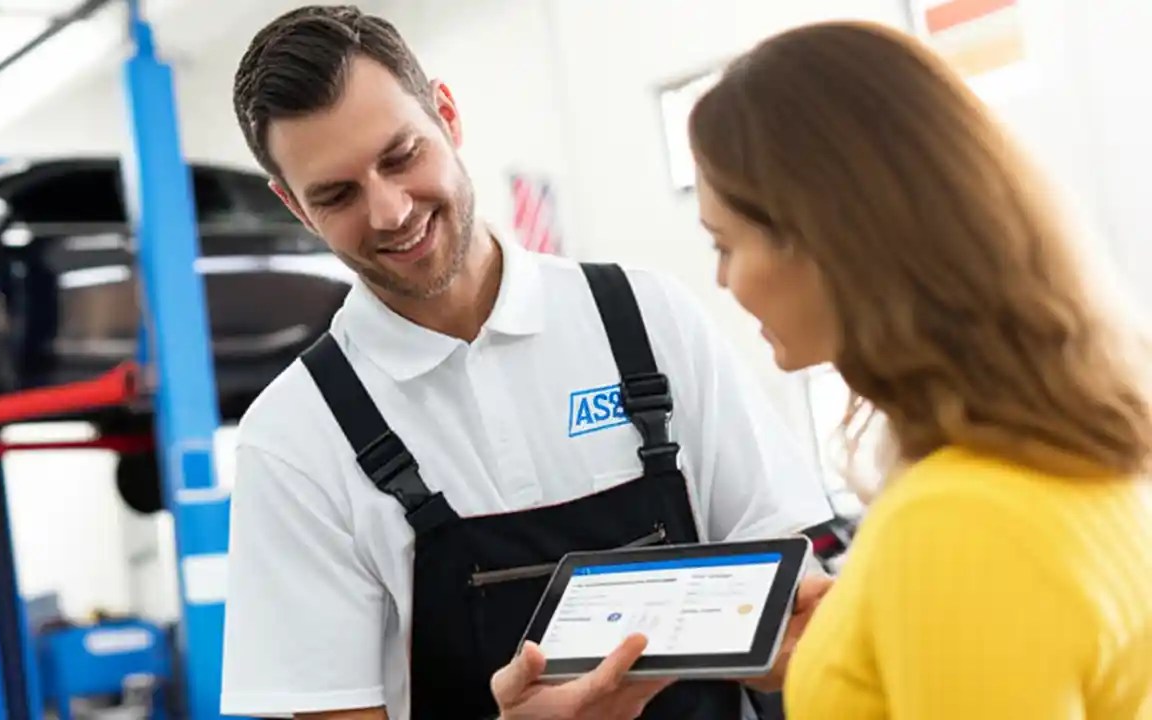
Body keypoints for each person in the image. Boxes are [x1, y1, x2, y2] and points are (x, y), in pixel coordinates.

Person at [492, 19, 1152, 720]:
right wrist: (854, 628)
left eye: (724, 244)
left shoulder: (954, 524)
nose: (722, 280)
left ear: (823, 239)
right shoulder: (1062, 462)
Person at [218, 5, 839, 720]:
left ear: (447, 115)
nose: (390, 211)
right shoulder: (295, 441)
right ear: (294, 206)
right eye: (337, 194)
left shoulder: (647, 320)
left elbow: (792, 604)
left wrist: (799, 644)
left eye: (401, 156)